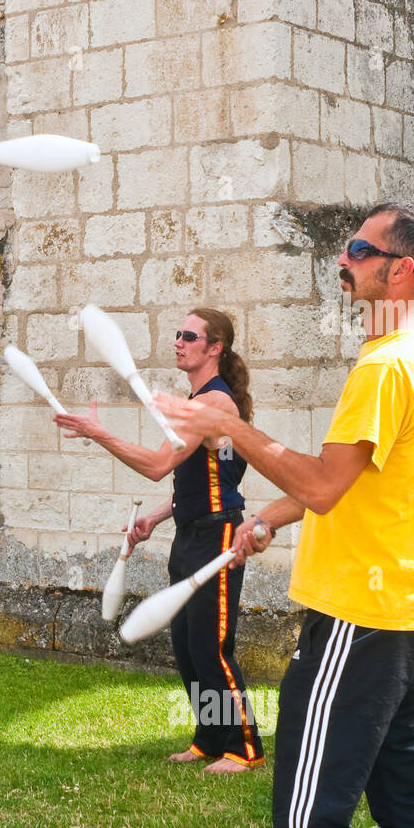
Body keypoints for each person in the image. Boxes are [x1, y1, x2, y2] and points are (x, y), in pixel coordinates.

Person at [158, 203, 414, 828]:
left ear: (401, 269)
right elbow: (349, 480)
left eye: (360, 249)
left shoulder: (386, 366)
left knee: (308, 813)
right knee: (413, 805)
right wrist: (267, 517)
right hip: (409, 616)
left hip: (357, 616)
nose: (343, 260)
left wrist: (229, 426)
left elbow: (326, 483)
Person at [56, 309, 264, 774]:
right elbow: (204, 478)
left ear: (215, 349)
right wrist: (156, 514)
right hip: (192, 530)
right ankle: (210, 737)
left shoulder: (215, 404)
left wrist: (99, 433)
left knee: (212, 644)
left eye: (190, 336)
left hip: (221, 535)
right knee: (188, 644)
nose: (178, 341)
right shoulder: (199, 400)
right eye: (177, 334)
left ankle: (245, 748)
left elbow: (156, 465)